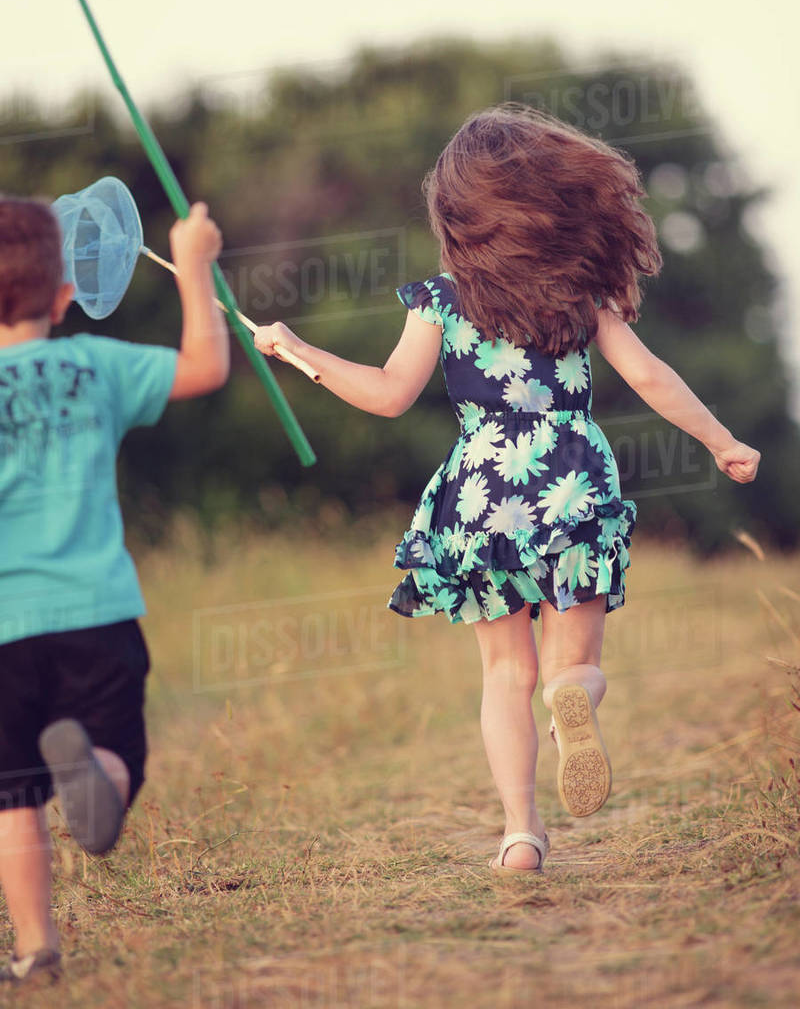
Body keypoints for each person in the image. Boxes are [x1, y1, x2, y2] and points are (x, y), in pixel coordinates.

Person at [253, 104, 760, 875]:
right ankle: (576, 699)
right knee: (572, 662)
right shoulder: (583, 297)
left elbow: (390, 394)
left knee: (504, 673)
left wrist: (296, 351)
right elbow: (652, 376)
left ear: (458, 218)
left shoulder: (442, 300)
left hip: (481, 491)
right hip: (568, 482)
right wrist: (722, 442)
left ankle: (520, 834)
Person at [0, 197, 229, 983]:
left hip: (4, 627)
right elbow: (205, 367)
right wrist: (194, 267)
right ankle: (102, 785)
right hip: (95, 612)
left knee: (11, 796)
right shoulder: (95, 363)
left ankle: (36, 950)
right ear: (65, 292)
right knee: (117, 746)